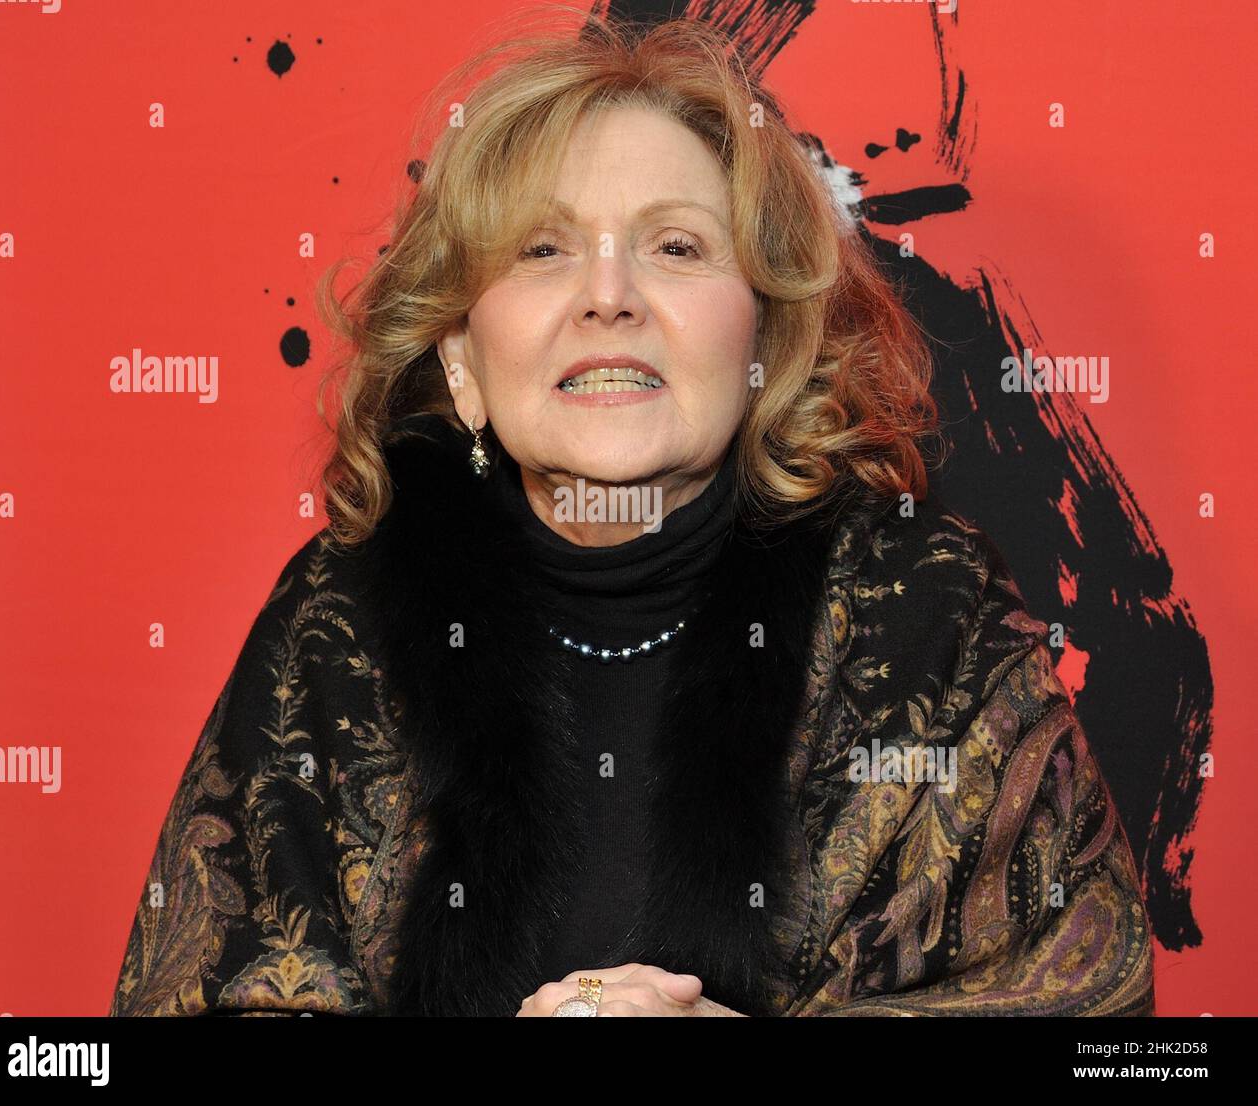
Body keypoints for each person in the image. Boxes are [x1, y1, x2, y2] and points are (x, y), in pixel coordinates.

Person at [109, 11, 1153, 1017]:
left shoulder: (936, 623)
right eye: (542, 251)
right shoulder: (331, 628)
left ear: (766, 348)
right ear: (463, 365)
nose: (607, 295)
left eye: (676, 249)